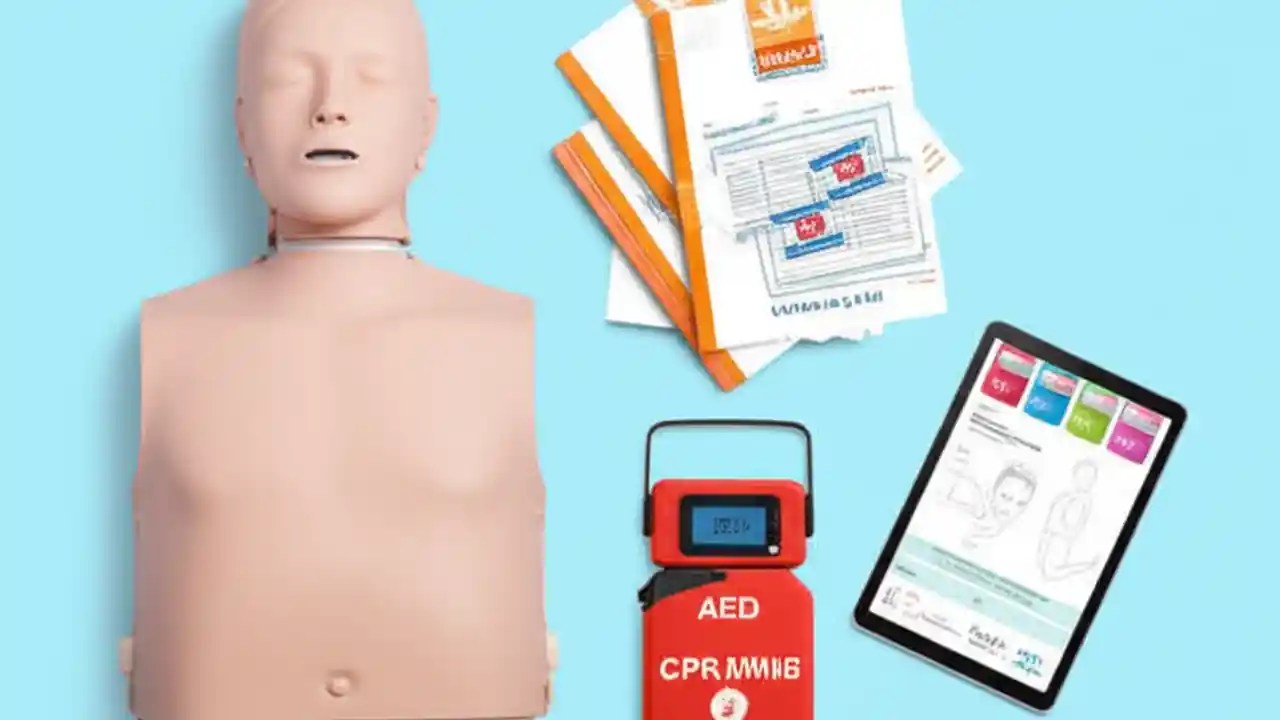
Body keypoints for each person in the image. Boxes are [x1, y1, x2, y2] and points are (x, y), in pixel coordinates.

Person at [120, 1, 554, 718]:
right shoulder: (170, 331)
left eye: (372, 78)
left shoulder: (505, 327)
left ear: (427, 124)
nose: (331, 109)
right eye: (291, 78)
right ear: (240, 125)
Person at [1038, 459, 1102, 582]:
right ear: (1075, 476)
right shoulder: (1067, 497)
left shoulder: (1082, 501)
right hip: (1052, 538)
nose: (1087, 481)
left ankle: (1088, 565)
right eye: (1083, 476)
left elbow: (1069, 528)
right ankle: (1088, 565)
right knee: (1049, 571)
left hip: (1059, 540)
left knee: (1051, 572)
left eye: (1091, 477)